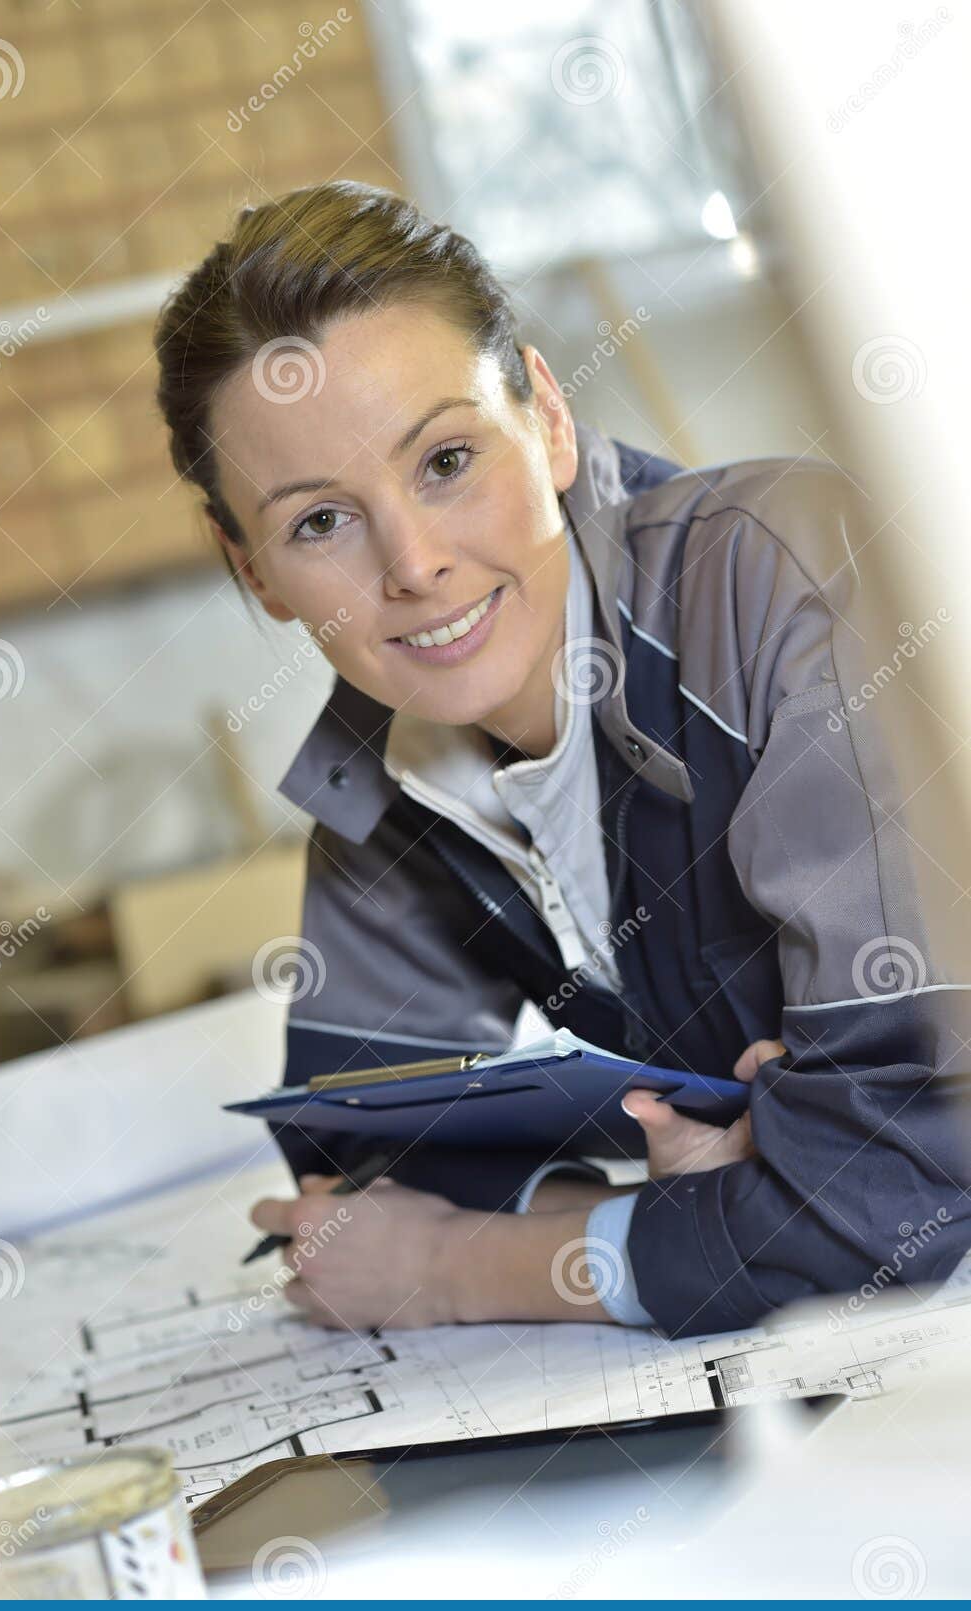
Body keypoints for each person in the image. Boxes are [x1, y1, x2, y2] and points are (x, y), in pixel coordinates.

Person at [153, 180, 969, 1339]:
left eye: (444, 458)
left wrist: (469, 1268)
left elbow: (917, 1177)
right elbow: (358, 1172)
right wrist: (736, 1198)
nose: (415, 563)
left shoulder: (786, 585)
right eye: (319, 522)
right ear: (255, 573)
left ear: (544, 414)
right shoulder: (386, 768)